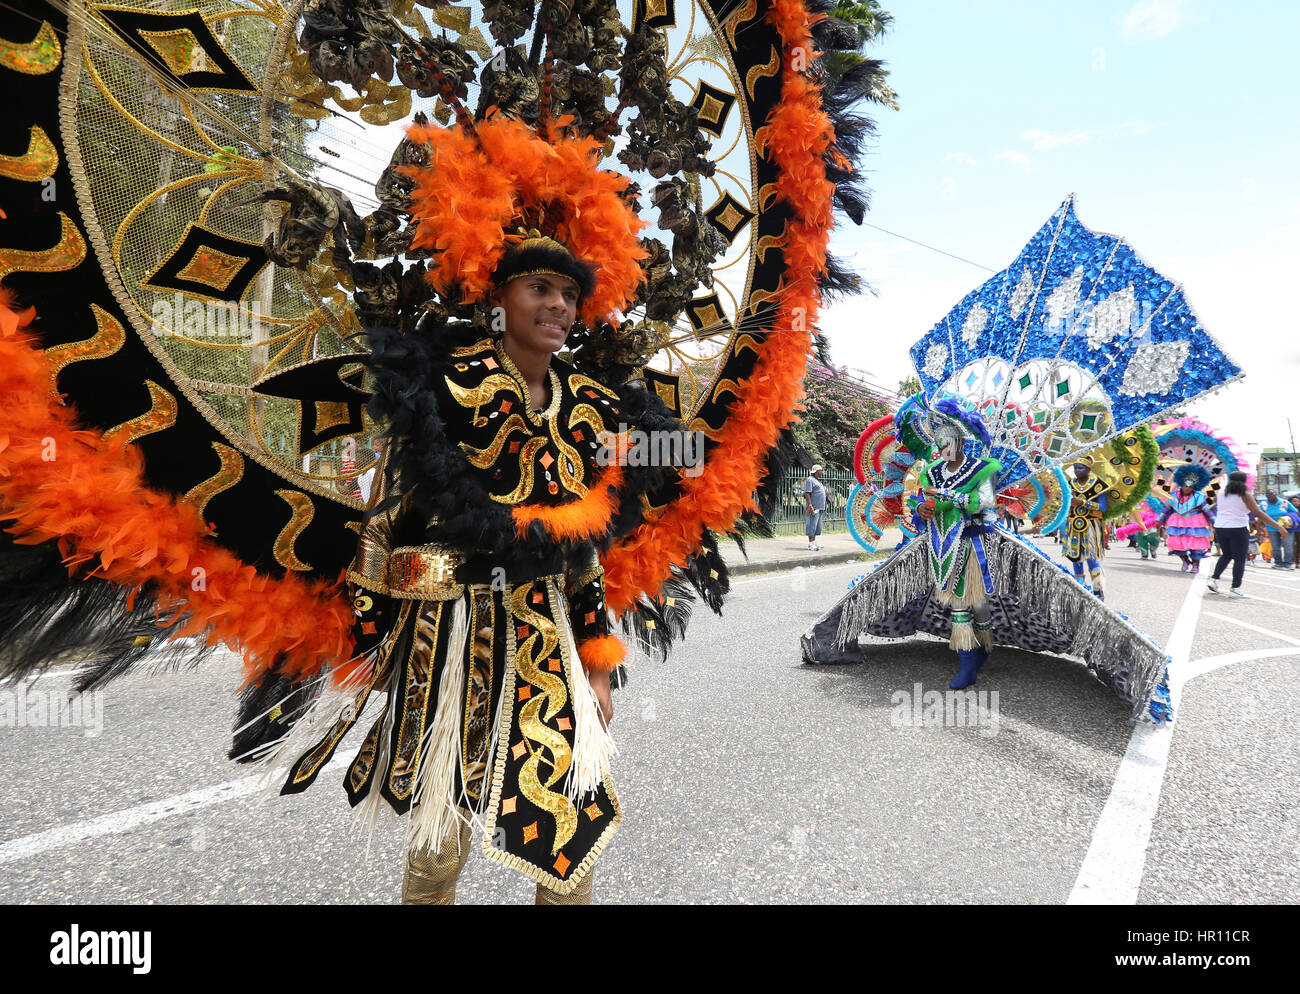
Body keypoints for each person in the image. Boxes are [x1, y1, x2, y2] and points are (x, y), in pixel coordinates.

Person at [1207, 471, 1286, 597]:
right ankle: (1235, 588)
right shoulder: (1245, 494)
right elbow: (1258, 512)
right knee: (1239, 559)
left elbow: (1214, 503)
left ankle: (1214, 580)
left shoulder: (1221, 493)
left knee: (1226, 555)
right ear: (1244, 481)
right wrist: (1279, 527)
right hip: (1238, 528)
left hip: (1220, 527)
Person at [1063, 460, 1107, 598]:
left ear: (1088, 469)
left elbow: (1103, 507)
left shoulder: (1098, 485)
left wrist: (1083, 502)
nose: (1077, 470)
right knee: (1075, 558)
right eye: (1075, 468)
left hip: (1091, 526)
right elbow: (1064, 506)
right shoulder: (1069, 485)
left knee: (1091, 558)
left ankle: (1098, 588)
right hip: (1074, 526)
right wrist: (1068, 503)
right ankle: (1079, 588)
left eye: (1080, 468)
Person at [1157, 469, 1216, 573]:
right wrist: (1159, 519)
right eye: (1186, 485)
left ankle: (1195, 564)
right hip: (1177, 523)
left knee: (1196, 545)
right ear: (1181, 485)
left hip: (1195, 523)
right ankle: (1185, 561)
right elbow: (1166, 509)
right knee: (1177, 544)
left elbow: (1207, 510)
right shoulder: (1173, 496)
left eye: (1190, 486)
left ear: (1194, 487)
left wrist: (1215, 521)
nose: (1187, 488)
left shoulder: (1199, 497)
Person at [1261, 491, 1297, 569]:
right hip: (1271, 529)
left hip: (1286, 529)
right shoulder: (1264, 505)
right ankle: (1278, 563)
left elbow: (1295, 512)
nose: (1269, 496)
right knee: (1275, 547)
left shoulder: (1284, 502)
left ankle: (1288, 563)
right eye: (1267, 495)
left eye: (1271, 494)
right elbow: (1260, 515)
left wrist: (1289, 519)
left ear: (1276, 494)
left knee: (1288, 546)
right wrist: (1259, 528)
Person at [804, 464, 827, 551]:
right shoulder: (810, 480)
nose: (822, 471)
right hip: (813, 507)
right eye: (821, 470)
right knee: (811, 526)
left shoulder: (817, 480)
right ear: (817, 471)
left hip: (820, 507)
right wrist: (810, 505)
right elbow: (807, 493)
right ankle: (810, 544)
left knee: (817, 527)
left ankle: (814, 543)